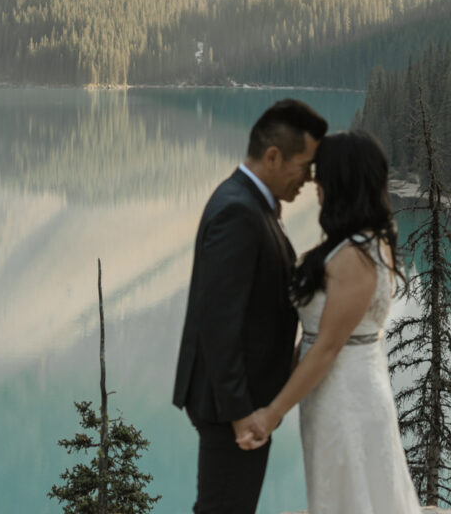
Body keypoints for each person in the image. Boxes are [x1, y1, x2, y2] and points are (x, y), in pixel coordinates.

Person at [237, 131, 421, 514]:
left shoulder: (356, 256)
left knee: (351, 495)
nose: (314, 184)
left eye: (320, 174)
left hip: (347, 397)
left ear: (341, 181)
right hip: (334, 395)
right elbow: (314, 340)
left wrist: (270, 416)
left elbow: (327, 348)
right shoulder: (354, 244)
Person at [173, 97, 328, 514]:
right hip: (233, 406)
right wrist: (241, 413)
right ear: (274, 156)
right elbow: (219, 321)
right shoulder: (239, 211)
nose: (309, 178)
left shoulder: (250, 203)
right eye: (305, 166)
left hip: (243, 400)